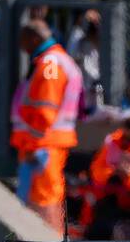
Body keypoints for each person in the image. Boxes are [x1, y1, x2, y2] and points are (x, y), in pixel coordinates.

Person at [10, 20, 83, 231]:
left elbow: (45, 108)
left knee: (43, 196)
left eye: (23, 40)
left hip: (43, 144)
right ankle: (47, 240)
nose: (22, 46)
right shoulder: (56, 60)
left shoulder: (51, 63)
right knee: (47, 194)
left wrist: (34, 142)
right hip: (48, 142)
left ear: (33, 38)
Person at [76, 112, 130, 239]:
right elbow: (96, 171)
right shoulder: (112, 142)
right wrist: (113, 171)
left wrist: (129, 176)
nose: (128, 140)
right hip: (108, 197)